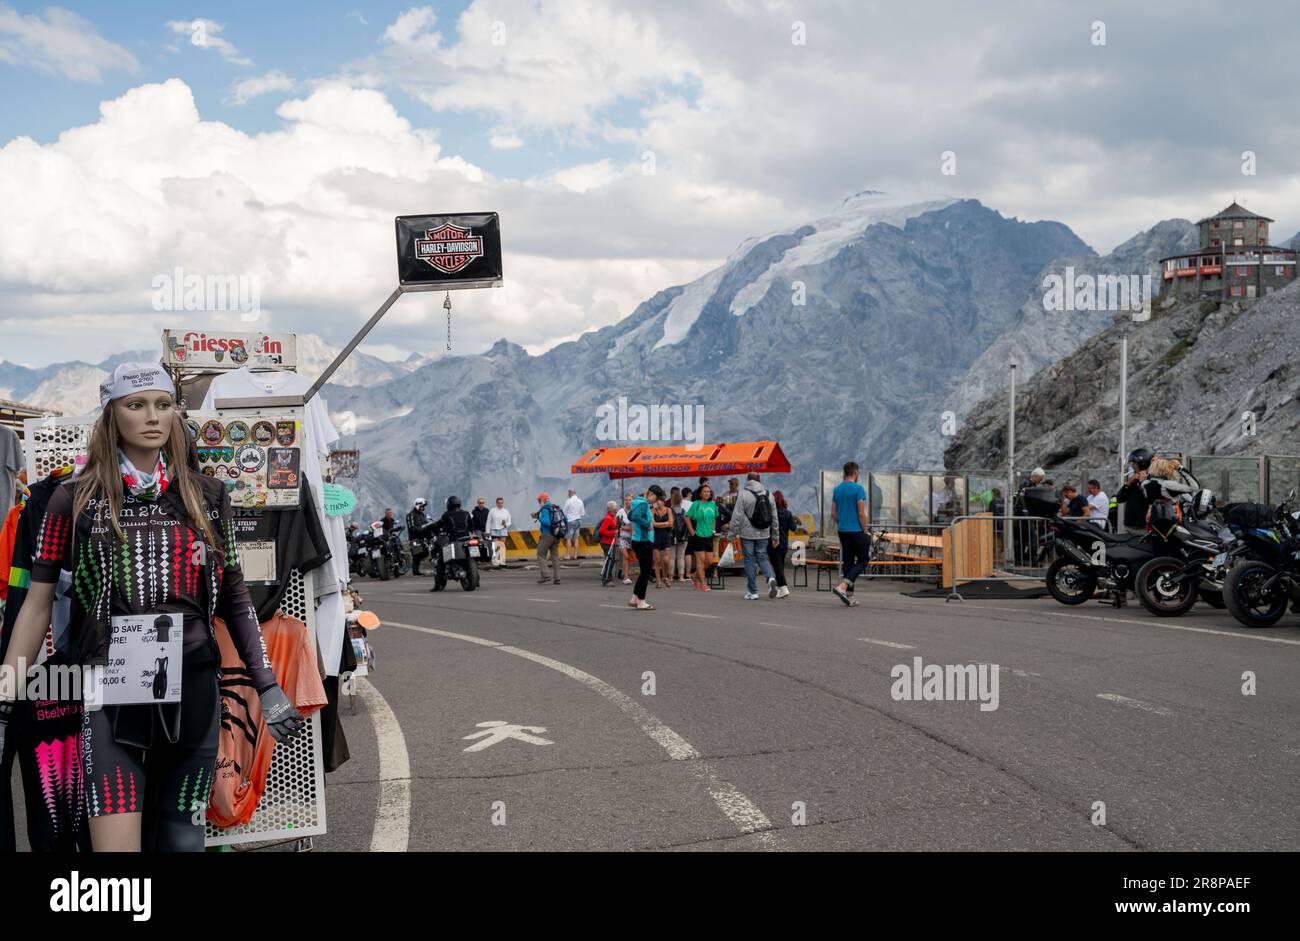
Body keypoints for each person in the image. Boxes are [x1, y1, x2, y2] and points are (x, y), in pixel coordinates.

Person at [0, 362, 304, 852]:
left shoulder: (208, 495)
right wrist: (6, 693)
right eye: (135, 405)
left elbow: (235, 596)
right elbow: (36, 607)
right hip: (110, 692)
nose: (152, 417)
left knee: (182, 841)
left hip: (197, 692)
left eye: (163, 405)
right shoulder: (70, 500)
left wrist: (267, 685)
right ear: (111, 414)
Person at [732, 472, 779, 599]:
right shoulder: (769, 495)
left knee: (749, 560)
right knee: (763, 557)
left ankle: (753, 591)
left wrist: (732, 533)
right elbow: (774, 517)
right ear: (760, 480)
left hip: (747, 533)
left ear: (747, 480)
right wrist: (775, 535)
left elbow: (737, 517)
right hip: (764, 532)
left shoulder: (742, 494)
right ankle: (770, 578)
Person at [830, 461, 869, 607]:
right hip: (856, 530)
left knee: (848, 561)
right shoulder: (858, 489)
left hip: (843, 530)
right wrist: (865, 530)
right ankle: (842, 586)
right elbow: (861, 513)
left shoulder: (837, 489)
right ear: (856, 472)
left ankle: (849, 595)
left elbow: (833, 513)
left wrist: (841, 522)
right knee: (863, 560)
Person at [430, 496, 473, 591]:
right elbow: (471, 526)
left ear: (449, 504)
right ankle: (476, 581)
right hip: (466, 539)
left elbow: (438, 524)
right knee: (470, 557)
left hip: (454, 540)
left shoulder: (447, 515)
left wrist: (434, 527)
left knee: (441, 560)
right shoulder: (466, 513)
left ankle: (439, 585)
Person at [627, 486, 659, 609]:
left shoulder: (636, 502)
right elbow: (634, 517)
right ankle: (641, 600)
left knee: (644, 571)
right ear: (651, 494)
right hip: (643, 540)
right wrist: (647, 524)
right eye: (655, 498)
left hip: (638, 539)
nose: (655, 502)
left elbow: (630, 516)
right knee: (646, 572)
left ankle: (635, 597)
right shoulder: (644, 504)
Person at [685, 483, 720, 591]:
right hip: (698, 536)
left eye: (708, 492)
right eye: (704, 491)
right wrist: (692, 533)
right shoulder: (696, 504)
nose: (706, 493)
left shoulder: (713, 505)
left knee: (709, 561)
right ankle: (703, 584)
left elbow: (714, 518)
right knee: (701, 560)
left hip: (709, 535)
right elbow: (687, 518)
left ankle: (695, 575)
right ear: (700, 493)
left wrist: (713, 530)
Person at [1115, 449, 1153, 534]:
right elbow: (1119, 498)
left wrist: (1142, 482)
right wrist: (1128, 483)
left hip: (1144, 528)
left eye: (1134, 463)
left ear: (1142, 463)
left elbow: (1150, 499)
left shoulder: (1152, 480)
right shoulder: (1132, 480)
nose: (1132, 465)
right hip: (1128, 526)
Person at [767, 490, 795, 599]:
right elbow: (793, 528)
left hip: (773, 542)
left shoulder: (770, 513)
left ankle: (783, 587)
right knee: (780, 565)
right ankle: (780, 588)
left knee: (777, 566)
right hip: (784, 543)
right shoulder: (788, 513)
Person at [532, 492, 563, 585]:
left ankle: (546, 575)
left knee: (540, 555)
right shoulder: (556, 507)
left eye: (539, 500)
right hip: (556, 535)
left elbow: (547, 522)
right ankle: (557, 578)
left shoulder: (545, 509)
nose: (538, 502)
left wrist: (538, 517)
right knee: (555, 557)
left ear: (543, 500)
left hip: (547, 535)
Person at [652, 487, 674, 588]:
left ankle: (665, 576)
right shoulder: (652, 511)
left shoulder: (668, 510)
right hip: (656, 536)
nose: (659, 502)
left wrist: (659, 524)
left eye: (660, 501)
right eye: (657, 501)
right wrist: (664, 523)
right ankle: (658, 580)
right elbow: (653, 524)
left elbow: (671, 523)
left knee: (666, 560)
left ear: (663, 501)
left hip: (666, 536)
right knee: (656, 560)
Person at [406, 498, 430, 575]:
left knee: (425, 553)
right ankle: (415, 571)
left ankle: (416, 570)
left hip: (423, 538)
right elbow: (411, 527)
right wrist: (421, 528)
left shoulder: (422, 515)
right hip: (414, 538)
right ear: (417, 505)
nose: (423, 508)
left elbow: (426, 524)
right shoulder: (410, 515)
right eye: (422, 506)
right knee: (416, 554)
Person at [669, 489, 689, 583]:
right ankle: (681, 576)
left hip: (672, 536)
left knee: (672, 557)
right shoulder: (684, 511)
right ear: (681, 500)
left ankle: (671, 576)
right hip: (683, 537)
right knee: (681, 556)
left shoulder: (669, 511)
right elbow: (687, 524)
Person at [486, 497, 512, 567]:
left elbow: (509, 522)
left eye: (501, 503)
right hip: (494, 530)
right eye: (499, 503)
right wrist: (487, 531)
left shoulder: (506, 511)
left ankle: (502, 561)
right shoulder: (492, 510)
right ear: (496, 503)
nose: (500, 504)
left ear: (503, 503)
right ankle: (495, 560)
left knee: (502, 546)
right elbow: (488, 521)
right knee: (495, 546)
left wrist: (505, 524)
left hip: (503, 530)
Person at [562, 489, 585, 561]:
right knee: (576, 538)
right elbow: (582, 513)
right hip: (578, 521)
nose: (568, 494)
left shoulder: (568, 501)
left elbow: (564, 512)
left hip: (570, 521)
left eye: (568, 493)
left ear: (571, 493)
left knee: (568, 538)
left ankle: (568, 555)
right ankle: (575, 555)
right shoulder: (580, 501)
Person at [617, 494, 633, 585]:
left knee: (629, 558)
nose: (628, 501)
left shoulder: (634, 511)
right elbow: (618, 525)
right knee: (625, 556)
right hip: (622, 537)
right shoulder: (621, 511)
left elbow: (633, 526)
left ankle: (625, 573)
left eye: (629, 500)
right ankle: (626, 576)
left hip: (632, 537)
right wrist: (626, 528)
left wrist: (626, 527)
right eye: (626, 500)